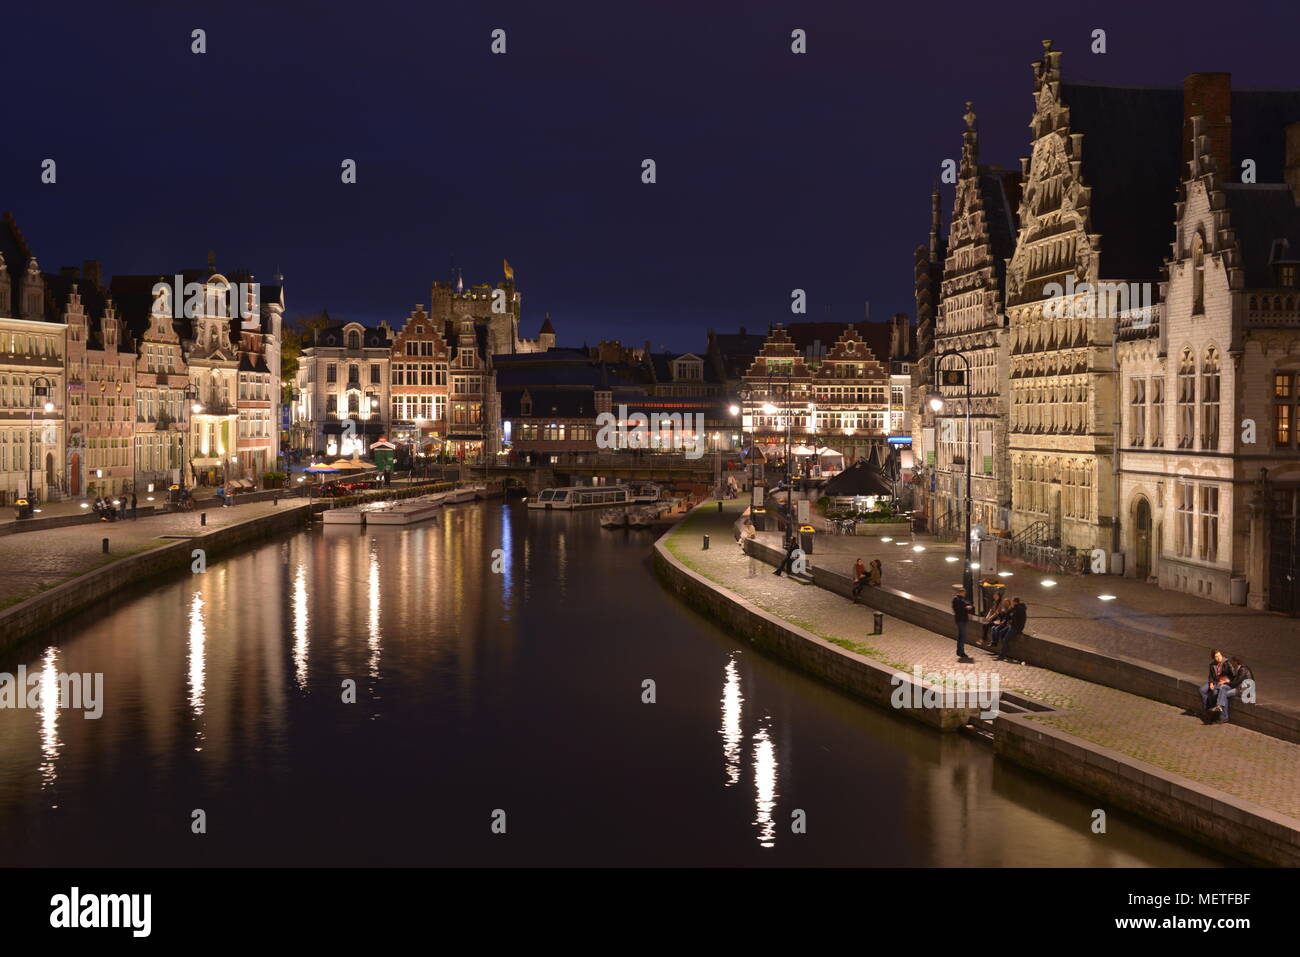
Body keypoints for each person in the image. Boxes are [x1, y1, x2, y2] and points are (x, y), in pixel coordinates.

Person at [1209, 656, 1253, 724]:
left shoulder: (1243, 670)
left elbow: (1236, 683)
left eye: (1232, 662)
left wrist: (1226, 682)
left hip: (1244, 691)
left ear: (1236, 662)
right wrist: (1225, 682)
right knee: (1222, 688)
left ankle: (1224, 716)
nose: (1231, 664)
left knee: (1223, 694)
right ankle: (1219, 706)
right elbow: (1234, 681)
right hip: (1238, 687)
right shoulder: (1239, 668)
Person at [952, 587, 973, 659]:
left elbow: (967, 604)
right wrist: (966, 607)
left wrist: (967, 607)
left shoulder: (961, 599)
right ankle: (961, 652)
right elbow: (958, 609)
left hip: (963, 620)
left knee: (961, 636)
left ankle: (960, 651)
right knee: (962, 636)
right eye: (964, 593)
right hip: (960, 620)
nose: (965, 594)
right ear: (960, 592)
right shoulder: (956, 599)